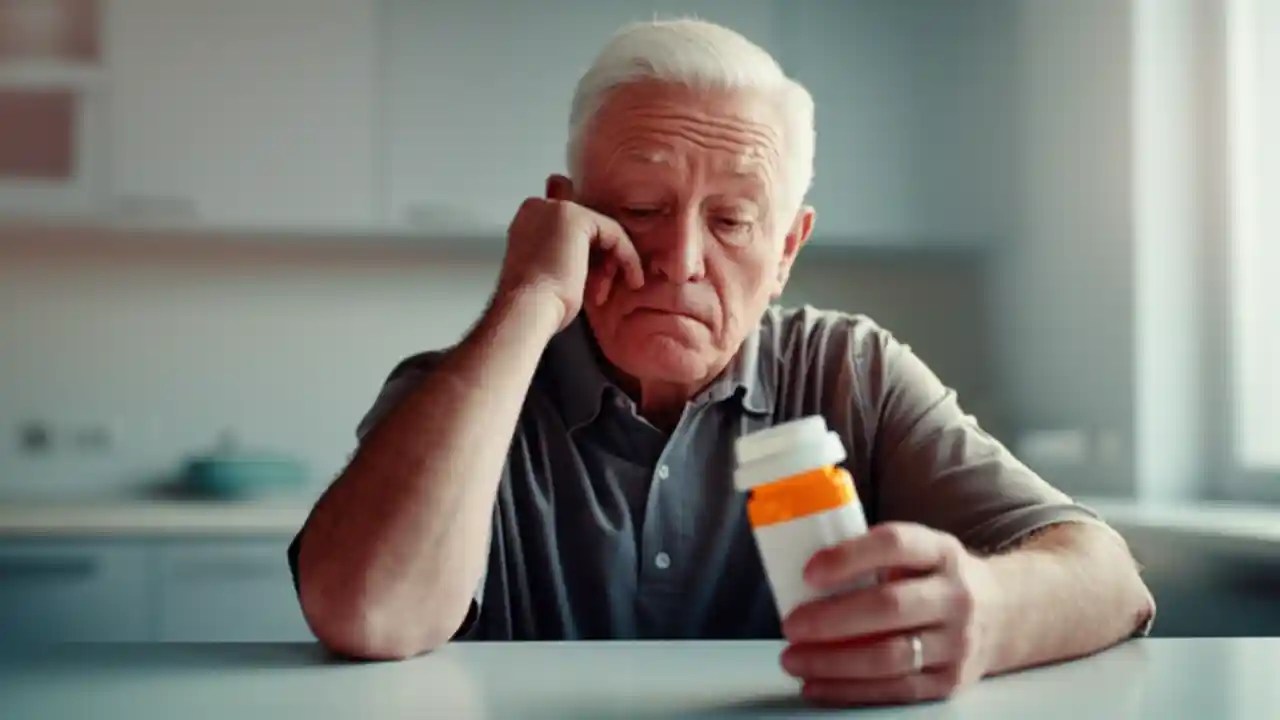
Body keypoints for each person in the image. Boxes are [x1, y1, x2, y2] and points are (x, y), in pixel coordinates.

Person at [289, 19, 1155, 706]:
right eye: (638, 208)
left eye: (733, 222)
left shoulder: (851, 372)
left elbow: (1110, 580)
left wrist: (988, 614)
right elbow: (367, 610)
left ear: (787, 249)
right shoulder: (466, 391)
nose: (682, 260)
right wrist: (527, 301)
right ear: (567, 215)